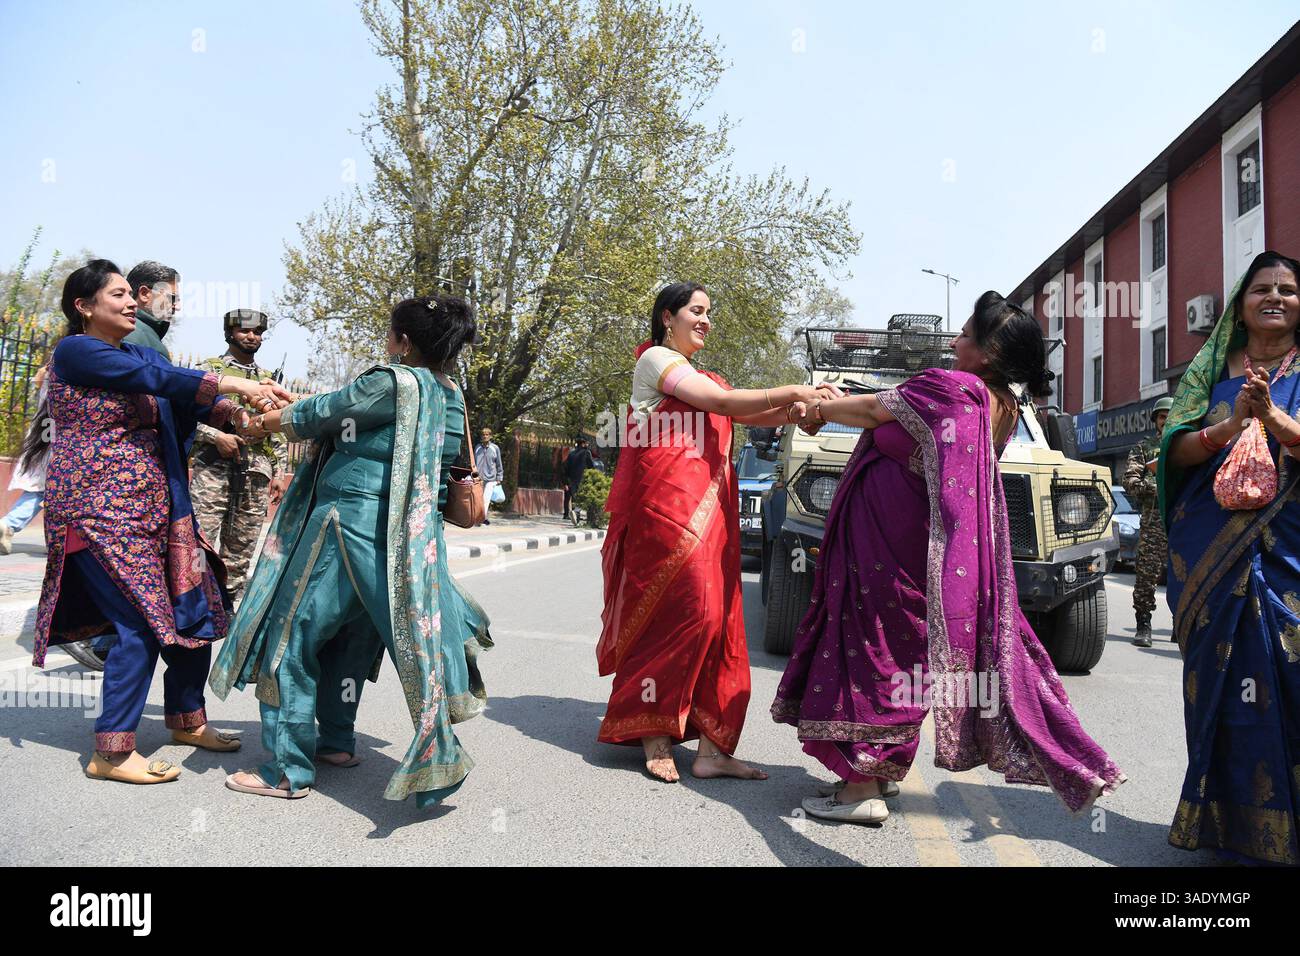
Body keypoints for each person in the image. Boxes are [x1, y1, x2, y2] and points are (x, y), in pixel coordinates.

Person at [773, 292, 1125, 824]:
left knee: (874, 646)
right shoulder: (1000, 404)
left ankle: (862, 786)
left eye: (964, 334)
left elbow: (873, 409)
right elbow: (885, 408)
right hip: (915, 544)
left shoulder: (954, 386)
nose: (954, 342)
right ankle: (876, 770)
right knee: (899, 649)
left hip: (889, 544)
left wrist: (818, 408)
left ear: (987, 350)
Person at [210, 294, 493, 806]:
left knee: (291, 636)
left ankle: (286, 768)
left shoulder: (391, 381)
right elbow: (346, 412)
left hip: (346, 528)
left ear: (404, 341)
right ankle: (336, 741)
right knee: (352, 640)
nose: (388, 343)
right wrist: (288, 402)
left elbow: (328, 412)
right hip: (407, 545)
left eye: (392, 334)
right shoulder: (450, 393)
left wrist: (260, 422)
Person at [29, 260, 292, 785]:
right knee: (138, 624)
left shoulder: (139, 353)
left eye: (132, 295)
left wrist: (253, 410)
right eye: (118, 295)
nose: (131, 303)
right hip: (98, 511)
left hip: (157, 512)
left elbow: (183, 395)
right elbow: (156, 377)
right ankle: (112, 750)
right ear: (83, 306)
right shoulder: (77, 351)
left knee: (199, 608)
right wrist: (234, 383)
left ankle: (186, 721)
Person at [598, 282, 836, 783]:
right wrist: (793, 391)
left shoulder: (705, 377)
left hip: (709, 519)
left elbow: (749, 411)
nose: (705, 320)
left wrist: (807, 410)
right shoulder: (657, 362)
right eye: (696, 311)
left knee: (721, 622)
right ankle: (654, 729)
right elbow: (718, 402)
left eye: (709, 313)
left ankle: (712, 748)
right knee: (680, 614)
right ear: (668, 316)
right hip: (664, 518)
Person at [1159, 250, 1300, 865]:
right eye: (1262, 288)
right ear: (1240, 307)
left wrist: (1274, 418)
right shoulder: (1210, 373)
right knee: (1218, 680)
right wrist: (1230, 424)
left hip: (1289, 552)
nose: (1275, 297)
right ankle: (1222, 821)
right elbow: (1175, 453)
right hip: (1208, 557)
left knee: (1289, 677)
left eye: (1289, 290)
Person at [190, 309, 290, 601]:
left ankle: (227, 602)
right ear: (229, 333)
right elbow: (184, 416)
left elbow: (279, 430)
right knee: (201, 538)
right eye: (245, 331)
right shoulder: (209, 370)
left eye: (257, 332)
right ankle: (196, 597)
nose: (252, 336)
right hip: (213, 469)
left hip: (255, 473)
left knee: (242, 546)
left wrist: (279, 472)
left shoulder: (268, 380)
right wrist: (216, 436)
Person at [1123, 395, 1172, 647]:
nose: (1166, 421)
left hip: (1183, 520)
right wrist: (1151, 486)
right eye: (1162, 417)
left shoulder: (1188, 445)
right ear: (1156, 420)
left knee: (1183, 574)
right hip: (1154, 519)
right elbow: (1129, 480)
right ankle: (1143, 623)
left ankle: (1180, 624)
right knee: (1147, 574)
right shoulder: (1144, 447)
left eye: (1169, 416)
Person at [0, 365, 50, 556]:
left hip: (43, 428)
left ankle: (9, 524)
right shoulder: (75, 362)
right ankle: (9, 524)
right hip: (56, 431)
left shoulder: (51, 366)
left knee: (40, 487)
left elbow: (38, 380)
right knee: (48, 488)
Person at [122, 260, 181, 361]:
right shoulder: (131, 336)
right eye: (172, 298)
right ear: (144, 294)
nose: (178, 306)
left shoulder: (144, 336)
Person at [474, 428, 503, 524]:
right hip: (478, 478)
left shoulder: (495, 448)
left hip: (491, 479)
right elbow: (473, 462)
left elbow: (499, 464)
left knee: (486, 500)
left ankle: (482, 518)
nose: (485, 436)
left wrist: (499, 477)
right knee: (477, 499)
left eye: (487, 434)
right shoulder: (477, 448)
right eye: (483, 434)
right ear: (481, 436)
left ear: (490, 436)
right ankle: (478, 517)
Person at [563, 437, 596, 519]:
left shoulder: (571, 454)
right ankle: (576, 515)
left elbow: (566, 468)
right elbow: (591, 466)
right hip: (581, 479)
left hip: (571, 479)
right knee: (579, 498)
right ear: (583, 444)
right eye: (586, 443)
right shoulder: (586, 452)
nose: (587, 445)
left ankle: (567, 514)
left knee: (569, 497)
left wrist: (565, 482)